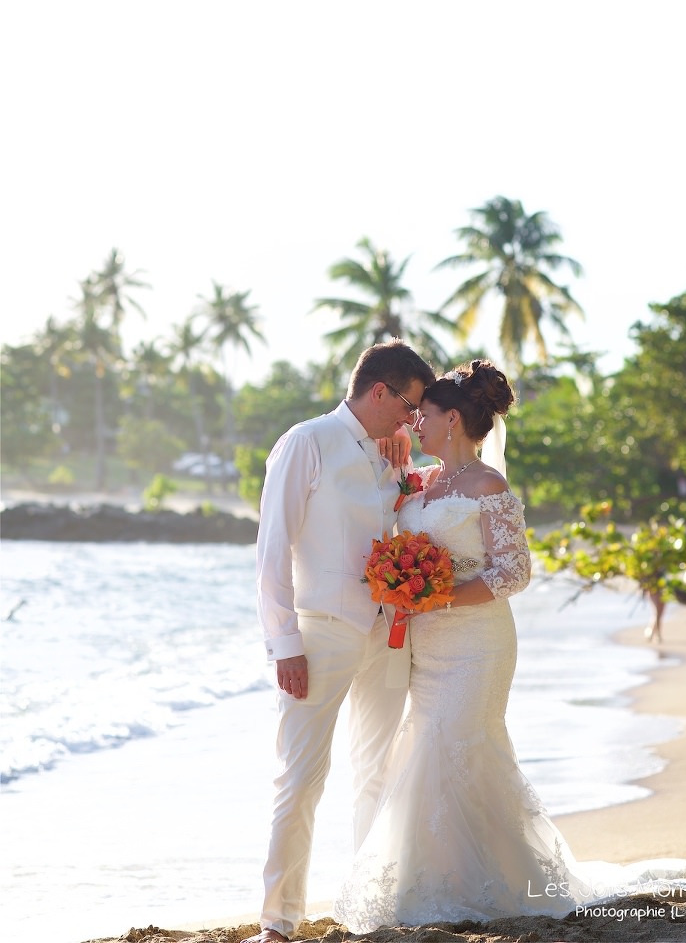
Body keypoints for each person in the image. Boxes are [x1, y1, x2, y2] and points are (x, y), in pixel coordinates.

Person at [334, 359, 686, 931]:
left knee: (456, 745)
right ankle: (443, 876)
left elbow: (512, 574)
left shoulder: (489, 485)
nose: (416, 423)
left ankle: (473, 884)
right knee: (430, 750)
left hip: (477, 644)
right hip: (426, 646)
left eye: (426, 415)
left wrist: (435, 596)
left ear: (455, 419)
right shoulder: (419, 481)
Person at [245, 340, 436, 943]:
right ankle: (279, 921)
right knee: (300, 778)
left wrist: (404, 467)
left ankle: (367, 906)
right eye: (409, 406)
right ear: (378, 390)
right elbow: (272, 551)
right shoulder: (306, 441)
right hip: (320, 633)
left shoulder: (393, 452)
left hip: (388, 634)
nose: (412, 420)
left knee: (379, 771)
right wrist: (284, 645)